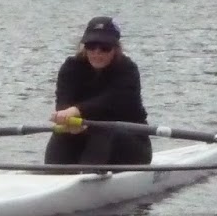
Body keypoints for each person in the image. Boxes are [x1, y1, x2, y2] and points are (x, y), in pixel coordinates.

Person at [45, 15, 153, 167]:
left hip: (130, 142)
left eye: (105, 48)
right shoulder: (71, 67)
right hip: (84, 137)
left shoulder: (127, 70)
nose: (97, 53)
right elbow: (63, 104)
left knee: (105, 131)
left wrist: (77, 111)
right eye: (91, 46)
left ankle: (87, 178)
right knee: (61, 134)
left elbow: (112, 102)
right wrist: (68, 122)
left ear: (116, 48)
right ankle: (52, 174)